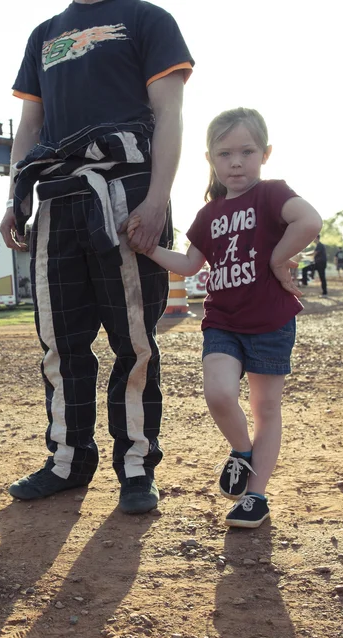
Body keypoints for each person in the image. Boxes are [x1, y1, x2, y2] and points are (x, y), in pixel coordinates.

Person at [0, 0, 194, 514]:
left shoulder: (148, 19)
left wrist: (155, 201)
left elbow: (169, 112)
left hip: (125, 192)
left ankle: (135, 466)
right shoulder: (44, 34)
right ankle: (68, 459)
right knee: (59, 342)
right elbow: (29, 126)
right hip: (57, 198)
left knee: (134, 341)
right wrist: (14, 198)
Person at [129, 108, 323, 527]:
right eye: (225, 154)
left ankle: (256, 497)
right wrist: (147, 248)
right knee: (218, 394)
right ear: (210, 160)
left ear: (265, 153)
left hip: (271, 320)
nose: (236, 162)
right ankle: (242, 451)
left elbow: (310, 221)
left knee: (266, 409)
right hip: (223, 320)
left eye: (247, 151)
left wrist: (277, 258)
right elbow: (187, 265)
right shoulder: (209, 214)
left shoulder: (272, 193)